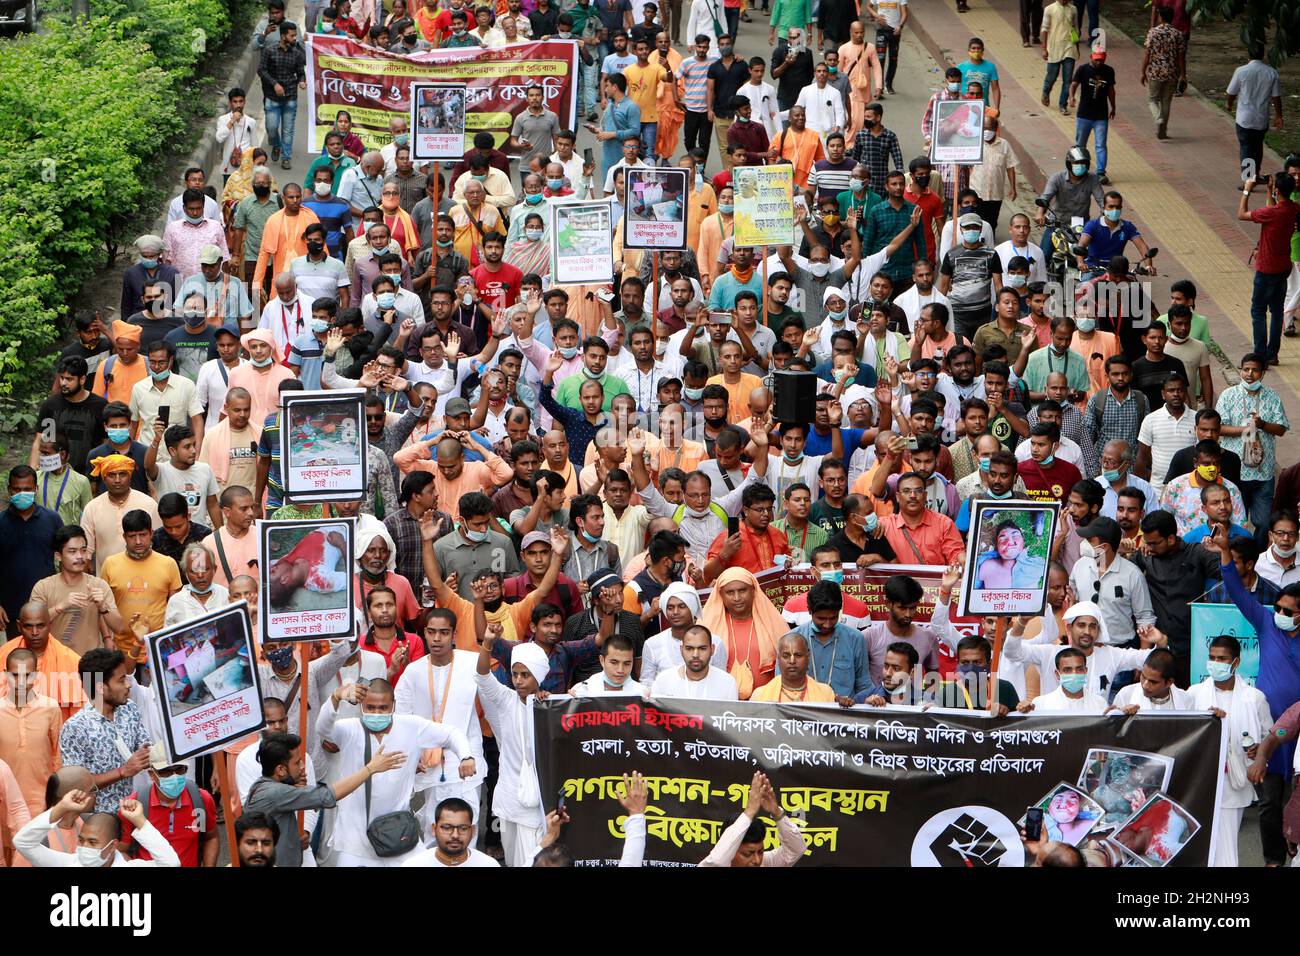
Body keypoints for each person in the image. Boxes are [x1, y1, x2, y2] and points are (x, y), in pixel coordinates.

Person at [244, 730, 405, 867]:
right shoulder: (275, 793)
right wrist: (371, 768)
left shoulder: (266, 786)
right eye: (297, 763)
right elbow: (329, 795)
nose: (302, 767)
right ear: (280, 770)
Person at [474, 621, 549, 866]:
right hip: (509, 797)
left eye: (525, 675)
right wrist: (487, 643)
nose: (518, 680)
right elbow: (482, 677)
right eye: (515, 674)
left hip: (537, 800)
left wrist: (545, 705)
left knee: (532, 859)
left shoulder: (551, 706)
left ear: (538, 676)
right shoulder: (506, 700)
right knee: (513, 858)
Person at [14, 790, 179, 868]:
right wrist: (61, 808)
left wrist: (140, 821)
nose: (84, 847)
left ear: (113, 846)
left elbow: (172, 864)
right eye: (81, 840)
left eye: (93, 842)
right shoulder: (68, 863)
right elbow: (22, 843)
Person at [698, 770, 806, 866]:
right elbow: (716, 862)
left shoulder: (766, 863)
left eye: (760, 852)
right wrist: (749, 811)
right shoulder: (716, 862)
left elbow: (796, 850)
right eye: (747, 854)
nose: (757, 860)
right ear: (730, 850)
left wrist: (777, 813)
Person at [1226, 42, 1284, 179]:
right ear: (1263, 54)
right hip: (1261, 118)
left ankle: (1248, 179)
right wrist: (1278, 116)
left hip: (1244, 118)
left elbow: (1231, 93)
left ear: (1248, 54)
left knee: (1246, 148)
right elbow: (1276, 97)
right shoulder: (1271, 72)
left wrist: (1229, 104)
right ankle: (1255, 174)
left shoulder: (1241, 71)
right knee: (1257, 148)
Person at [649, 623, 739, 699]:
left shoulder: (727, 683)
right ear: (681, 650)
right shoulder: (664, 680)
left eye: (702, 648)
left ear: (712, 649)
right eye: (689, 649)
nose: (695, 655)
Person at [402, 797, 499, 867]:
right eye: (447, 828)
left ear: (473, 831)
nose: (455, 835)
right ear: (434, 829)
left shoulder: (489, 864)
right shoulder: (413, 864)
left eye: (463, 828)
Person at [1068, 46, 1115, 185]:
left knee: (1101, 145)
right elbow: (1073, 85)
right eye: (1096, 59)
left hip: (1101, 116)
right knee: (1080, 145)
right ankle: (1078, 170)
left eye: (1101, 60)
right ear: (1091, 57)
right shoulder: (1083, 69)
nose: (1099, 62)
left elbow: (1111, 90)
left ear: (1104, 58)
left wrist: (1113, 107)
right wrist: (1071, 97)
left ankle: (1100, 172)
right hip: (1084, 114)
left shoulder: (1108, 71)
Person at [1140, 6, 1186, 140]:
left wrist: (1143, 71)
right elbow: (1181, 57)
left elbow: (1147, 54)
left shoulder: (1153, 32)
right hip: (1172, 72)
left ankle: (1158, 118)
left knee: (1152, 99)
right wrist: (1183, 75)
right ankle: (1163, 131)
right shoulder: (1177, 34)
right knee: (1166, 101)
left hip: (1155, 71)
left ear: (1161, 17)